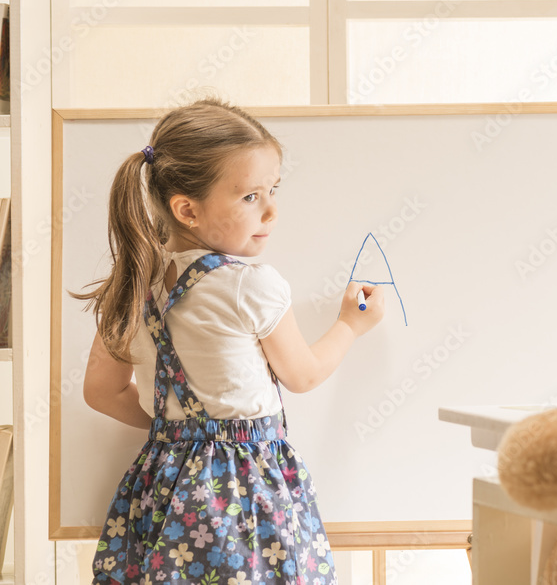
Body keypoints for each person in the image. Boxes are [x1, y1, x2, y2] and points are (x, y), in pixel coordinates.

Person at [71, 96, 384, 585]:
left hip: (163, 484)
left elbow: (102, 391)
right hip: (243, 490)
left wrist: (176, 428)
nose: (272, 211)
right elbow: (301, 375)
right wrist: (350, 324)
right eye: (251, 197)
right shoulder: (251, 284)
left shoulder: (133, 281)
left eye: (273, 189)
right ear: (187, 210)